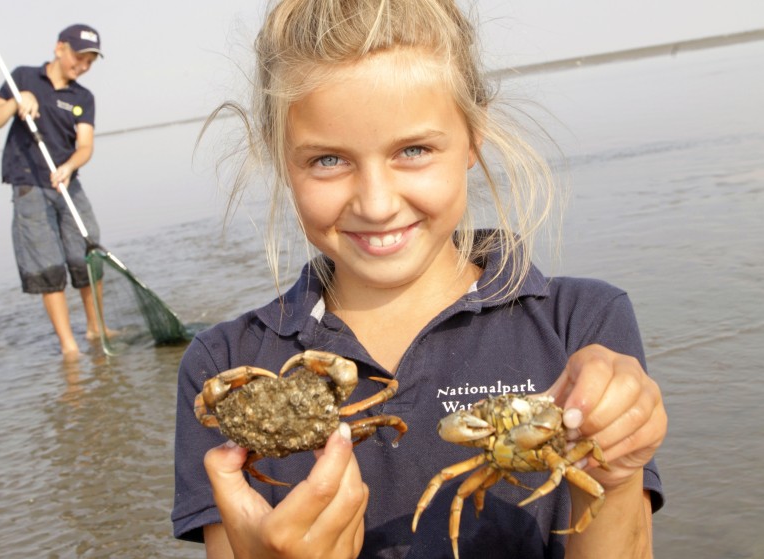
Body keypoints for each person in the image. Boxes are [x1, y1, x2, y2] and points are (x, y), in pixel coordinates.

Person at [172, 1, 667, 557]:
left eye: (413, 150)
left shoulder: (581, 325)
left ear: (473, 136)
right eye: (328, 160)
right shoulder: (226, 373)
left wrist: (620, 472)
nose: (378, 205)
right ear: (280, 158)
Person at [0, 24, 105, 360]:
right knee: (47, 266)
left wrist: (69, 167)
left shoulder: (83, 98)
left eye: (90, 62)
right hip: (28, 183)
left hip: (66, 183)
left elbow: (85, 145)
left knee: (87, 254)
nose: (82, 66)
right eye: (79, 57)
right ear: (59, 48)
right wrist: (19, 101)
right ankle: (69, 347)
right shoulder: (23, 77)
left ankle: (96, 328)